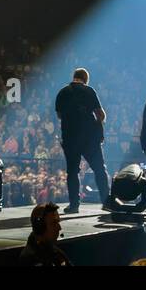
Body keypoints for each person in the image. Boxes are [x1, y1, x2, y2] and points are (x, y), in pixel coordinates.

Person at [53, 68, 109, 214]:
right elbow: (101, 115)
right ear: (85, 79)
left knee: (72, 172)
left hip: (70, 138)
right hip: (89, 138)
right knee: (99, 169)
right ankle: (106, 202)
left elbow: (59, 115)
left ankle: (74, 205)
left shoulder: (62, 92)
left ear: (74, 77)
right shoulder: (89, 91)